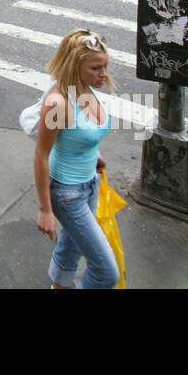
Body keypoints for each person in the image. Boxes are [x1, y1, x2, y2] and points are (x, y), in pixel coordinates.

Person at [33, 30, 119, 289]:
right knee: (106, 272)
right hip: (66, 194)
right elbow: (41, 155)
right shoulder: (58, 103)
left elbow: (79, 135)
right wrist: (45, 209)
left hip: (89, 184)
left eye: (105, 66)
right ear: (75, 67)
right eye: (96, 68)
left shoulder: (87, 89)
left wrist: (94, 155)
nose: (103, 74)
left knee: (71, 250)